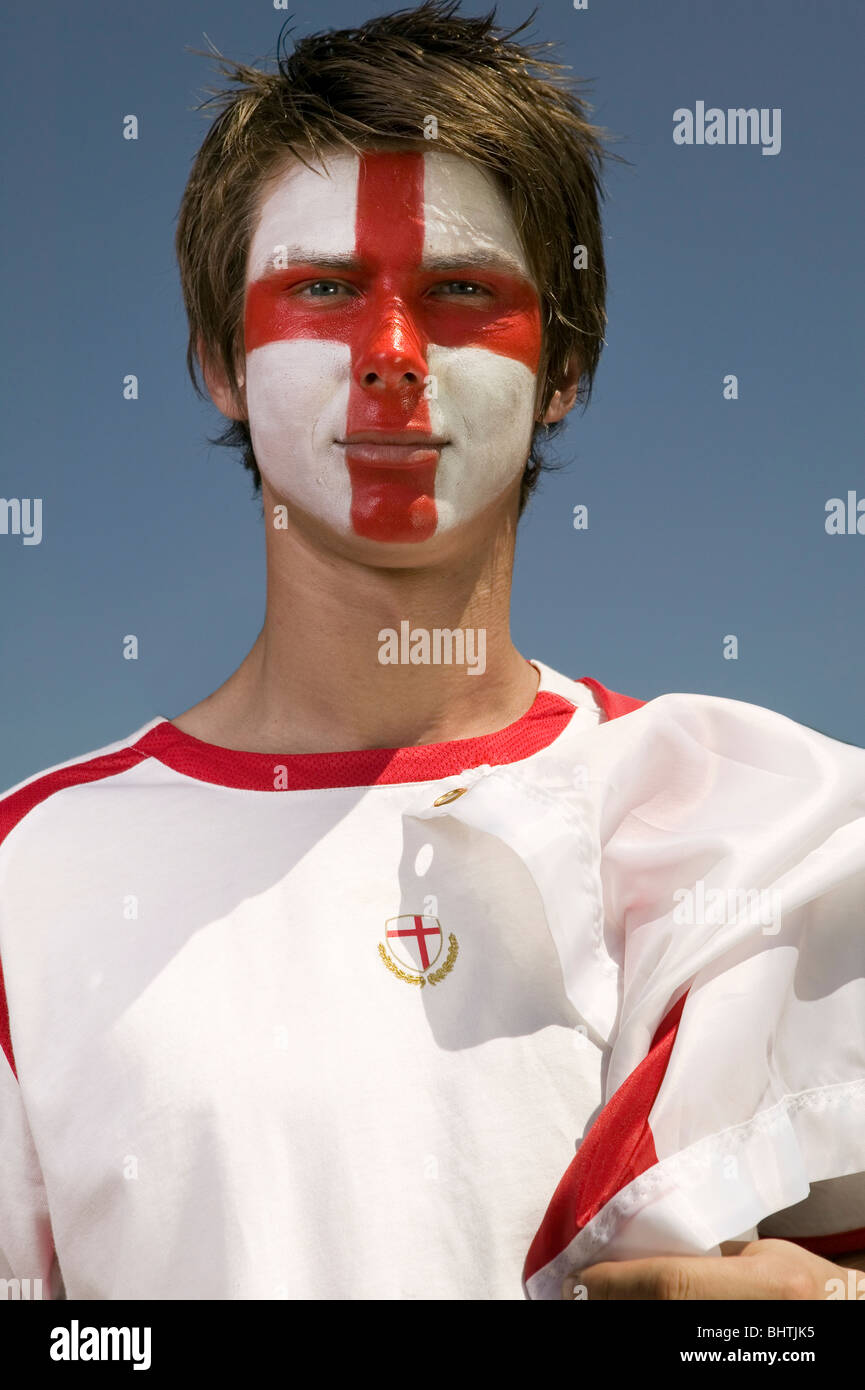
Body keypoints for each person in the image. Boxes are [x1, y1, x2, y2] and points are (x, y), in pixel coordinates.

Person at [1, 1, 863, 1301]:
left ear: (562, 364)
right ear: (219, 360)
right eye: (325, 291)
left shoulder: (779, 833)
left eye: (461, 293)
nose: (392, 362)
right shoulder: (29, 883)